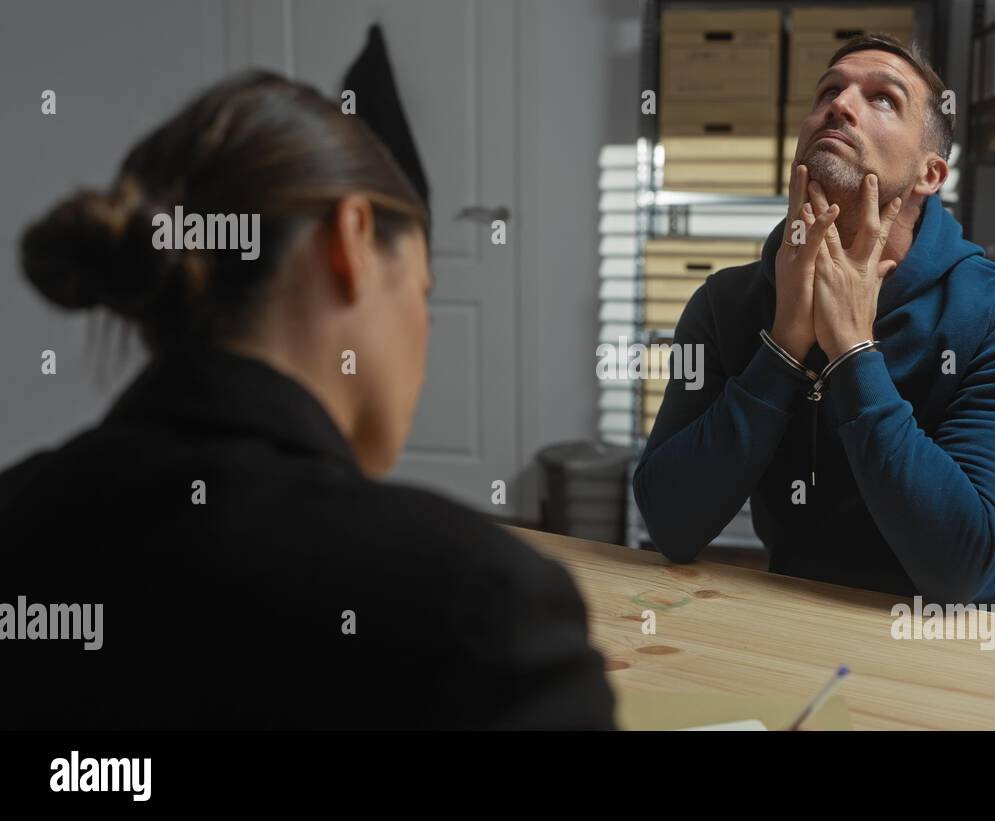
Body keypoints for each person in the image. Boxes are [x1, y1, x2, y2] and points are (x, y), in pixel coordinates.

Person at [0, 71, 615, 729]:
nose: (424, 330)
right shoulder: (483, 602)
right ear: (351, 240)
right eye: (423, 290)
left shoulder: (17, 511)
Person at [634, 34, 995, 616]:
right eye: (829, 91)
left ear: (930, 174)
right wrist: (784, 349)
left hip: (976, 631)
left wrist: (853, 352)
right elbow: (669, 525)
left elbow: (958, 565)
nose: (840, 105)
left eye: (883, 98)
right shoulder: (726, 303)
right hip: (806, 613)